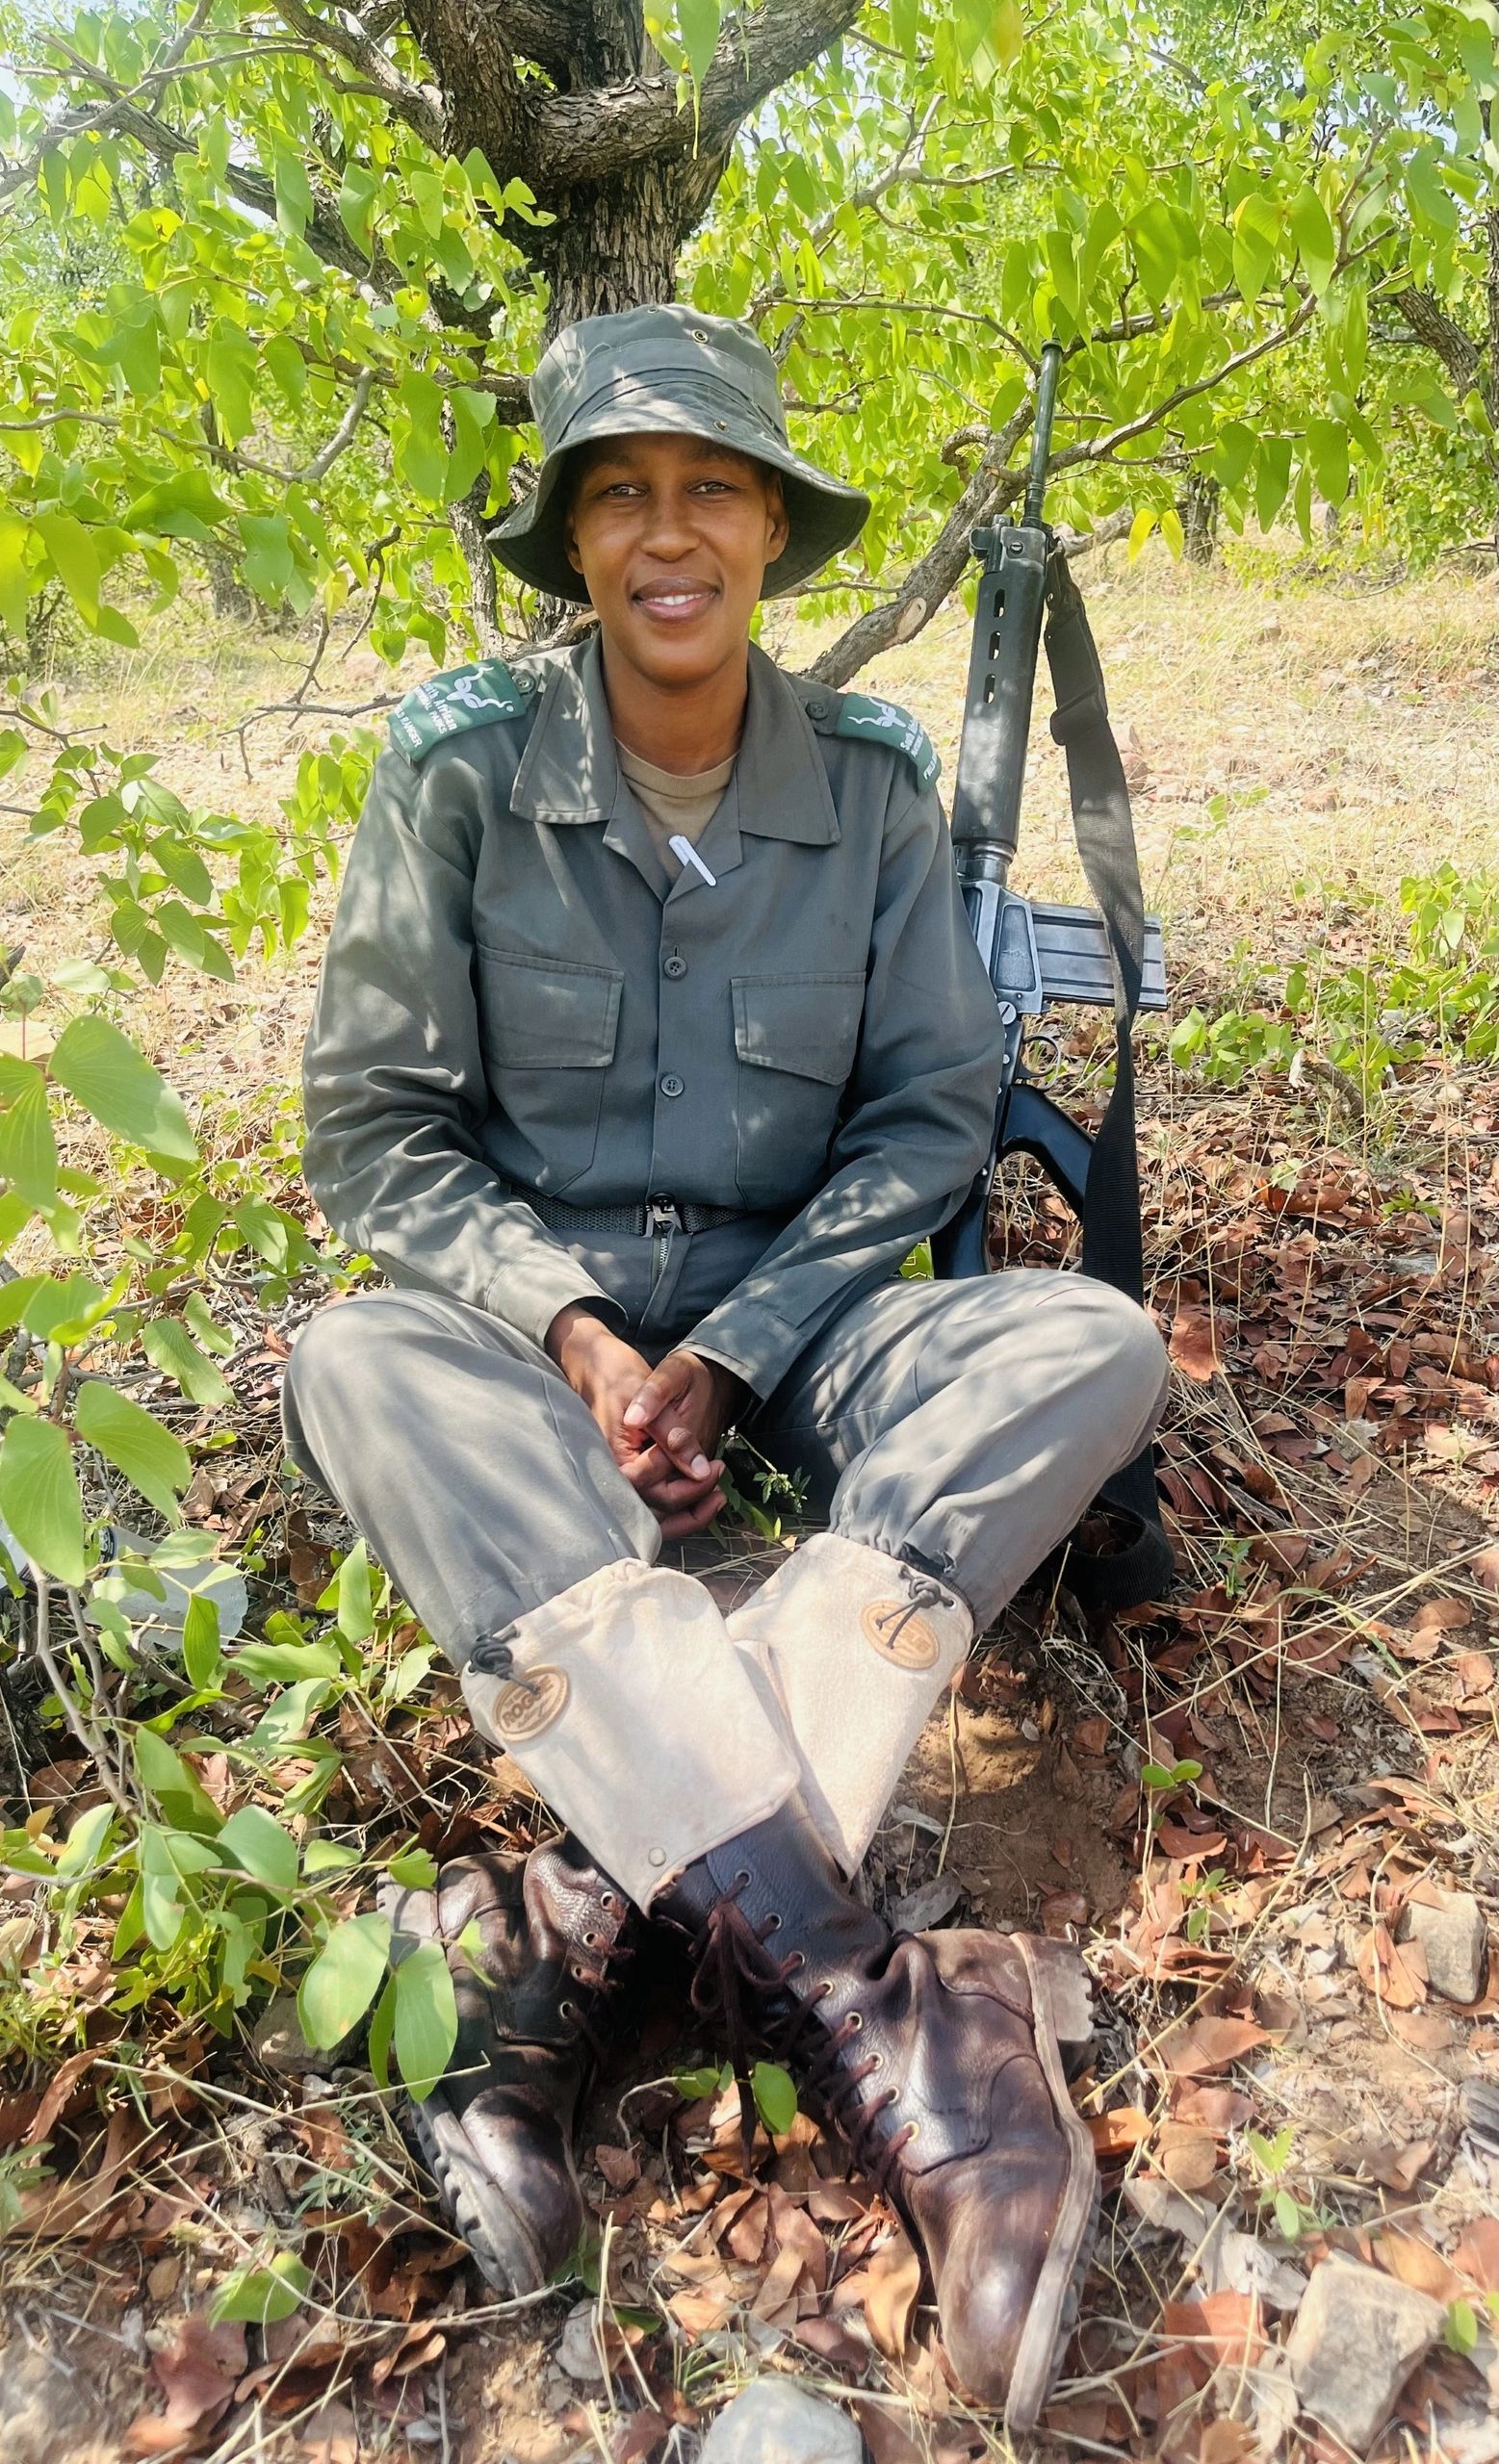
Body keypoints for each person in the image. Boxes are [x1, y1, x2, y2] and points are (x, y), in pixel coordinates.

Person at [282, 305, 1168, 2430]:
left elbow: (927, 1119)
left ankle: (583, 1903)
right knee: (353, 1361)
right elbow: (374, 1133)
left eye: (707, 488)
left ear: (768, 530)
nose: (664, 531)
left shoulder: (857, 796)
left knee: (1087, 1335)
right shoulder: (460, 769)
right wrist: (582, 1339)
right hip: (544, 1367)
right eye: (617, 490)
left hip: (813, 1335)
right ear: (572, 540)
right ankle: (874, 1991)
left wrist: (743, 1340)